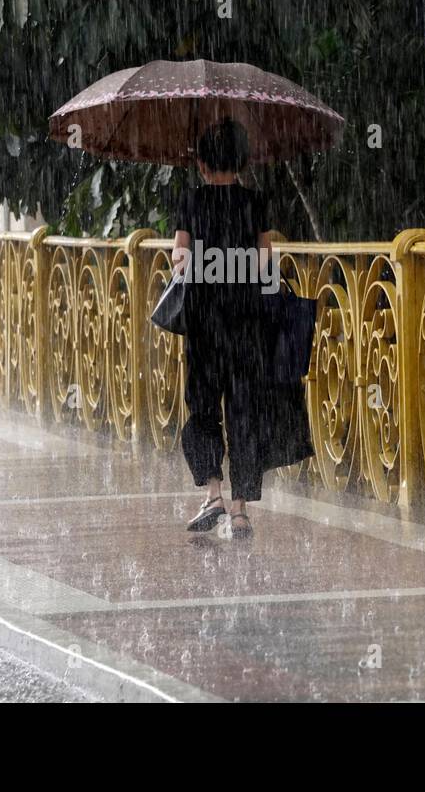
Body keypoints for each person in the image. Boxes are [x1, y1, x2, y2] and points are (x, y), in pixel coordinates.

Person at [173, 118, 271, 539]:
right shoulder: (255, 202)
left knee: (204, 407)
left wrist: (197, 263)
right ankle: (241, 510)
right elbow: (267, 262)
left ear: (202, 164)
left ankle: (212, 493)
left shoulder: (192, 202)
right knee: (243, 412)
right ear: (241, 160)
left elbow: (180, 262)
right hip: (246, 324)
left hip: (204, 324)